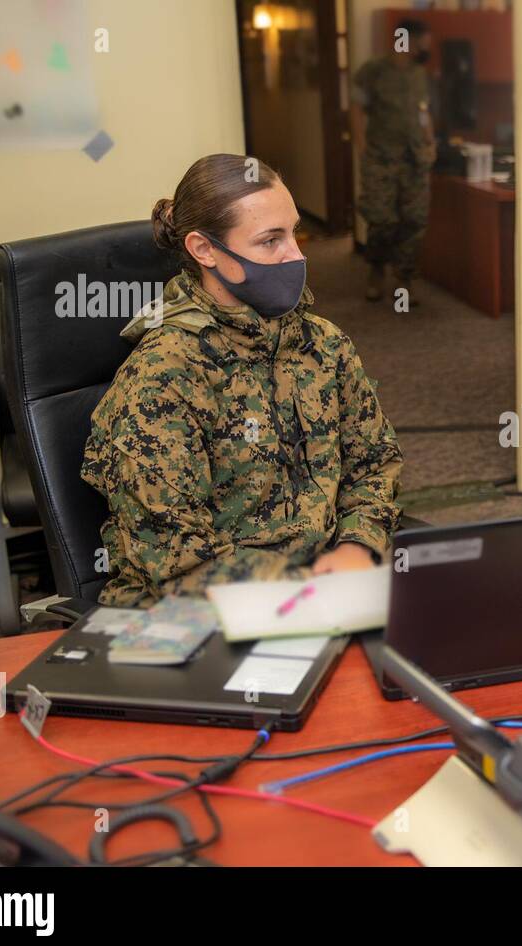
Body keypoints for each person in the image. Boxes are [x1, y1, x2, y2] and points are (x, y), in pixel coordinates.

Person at [82, 153, 403, 607]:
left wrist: (357, 544)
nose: (296, 254)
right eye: (271, 240)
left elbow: (374, 463)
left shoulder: (323, 344)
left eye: (294, 233)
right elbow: (175, 556)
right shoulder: (162, 378)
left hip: (326, 590)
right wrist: (311, 590)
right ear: (205, 250)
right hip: (201, 609)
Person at [351, 17, 436, 307]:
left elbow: (423, 111)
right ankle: (376, 270)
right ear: (407, 40)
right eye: (423, 41)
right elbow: (357, 109)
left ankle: (405, 279)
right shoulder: (373, 71)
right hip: (382, 159)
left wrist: (430, 141)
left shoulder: (418, 75)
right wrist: (362, 149)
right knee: (381, 219)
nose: (426, 47)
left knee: (414, 220)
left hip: (414, 159)